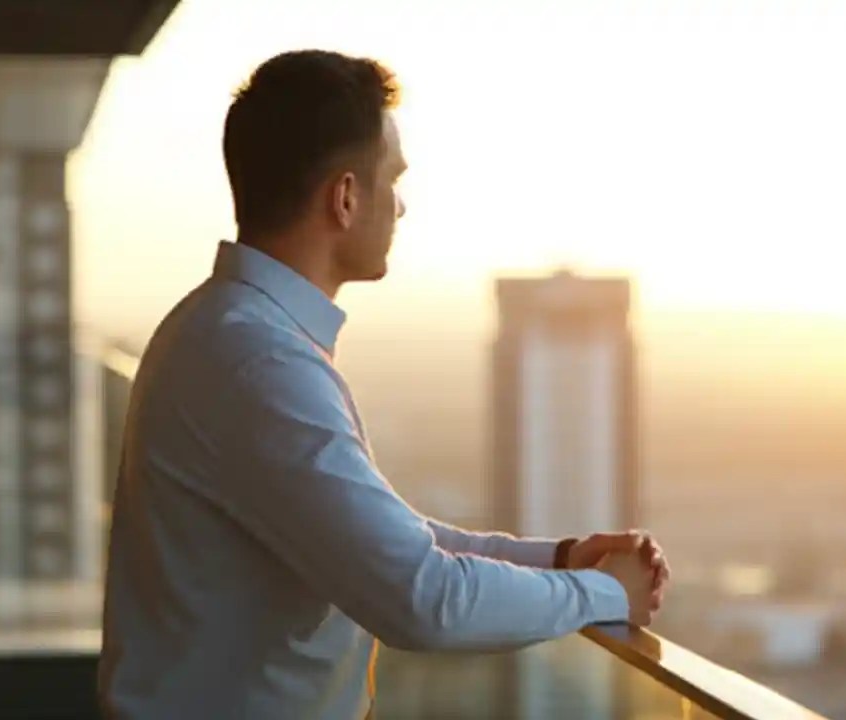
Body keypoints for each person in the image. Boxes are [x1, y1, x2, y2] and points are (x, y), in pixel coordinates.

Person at [98, 49, 670, 720]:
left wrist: (563, 559)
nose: (402, 204)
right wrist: (605, 594)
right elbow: (421, 598)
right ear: (345, 197)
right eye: (392, 179)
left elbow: (384, 538)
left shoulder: (230, 333)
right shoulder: (256, 361)